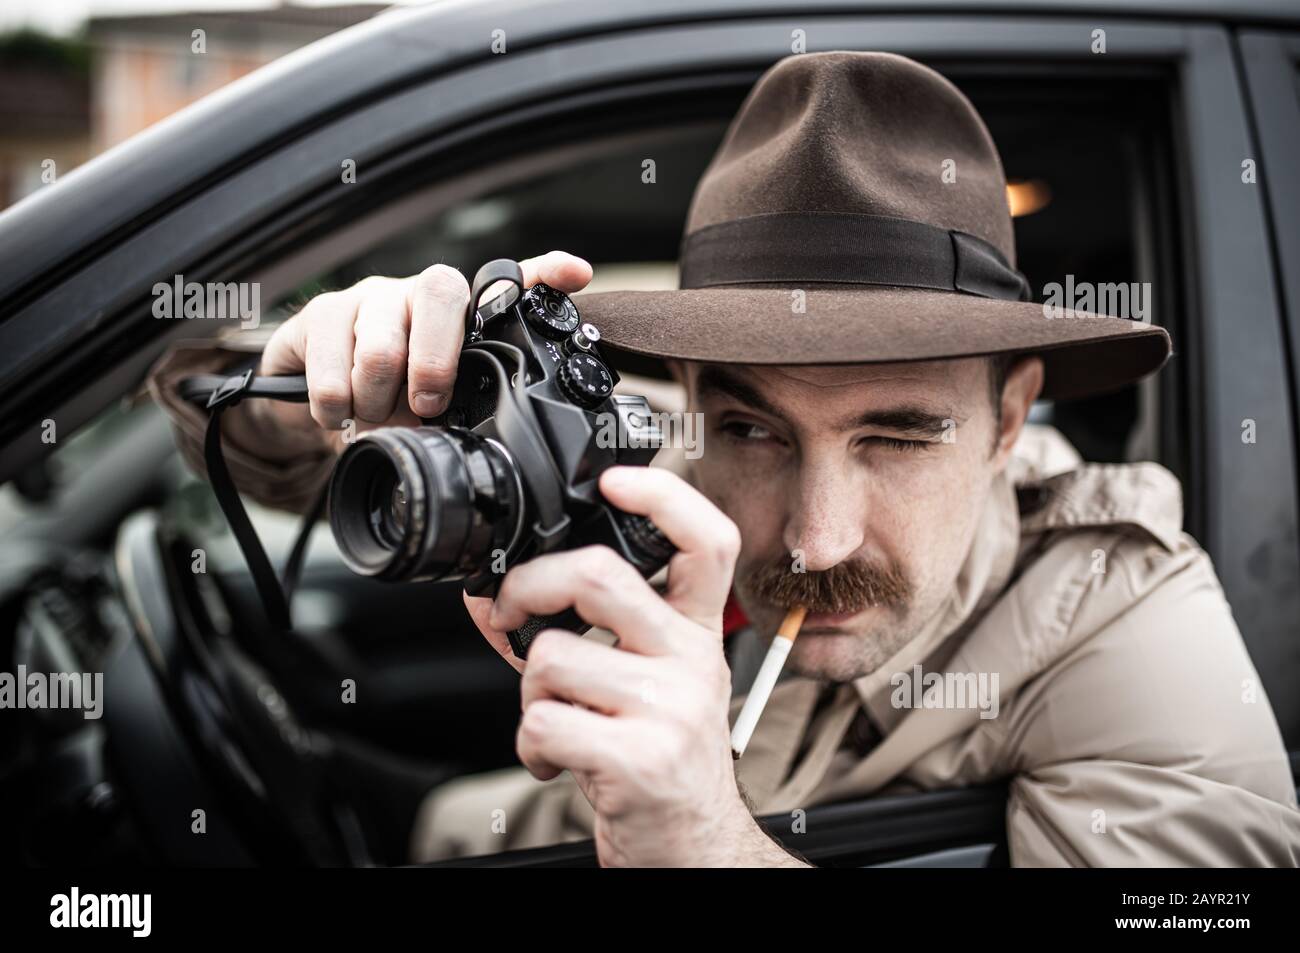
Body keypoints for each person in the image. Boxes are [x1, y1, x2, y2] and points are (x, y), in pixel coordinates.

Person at [146, 51, 1300, 866]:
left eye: (899, 435)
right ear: (689, 398)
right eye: (752, 429)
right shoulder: (656, 456)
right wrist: (330, 386)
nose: (811, 538)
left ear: (1010, 421)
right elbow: (214, 411)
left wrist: (700, 842)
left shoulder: (1124, 620)